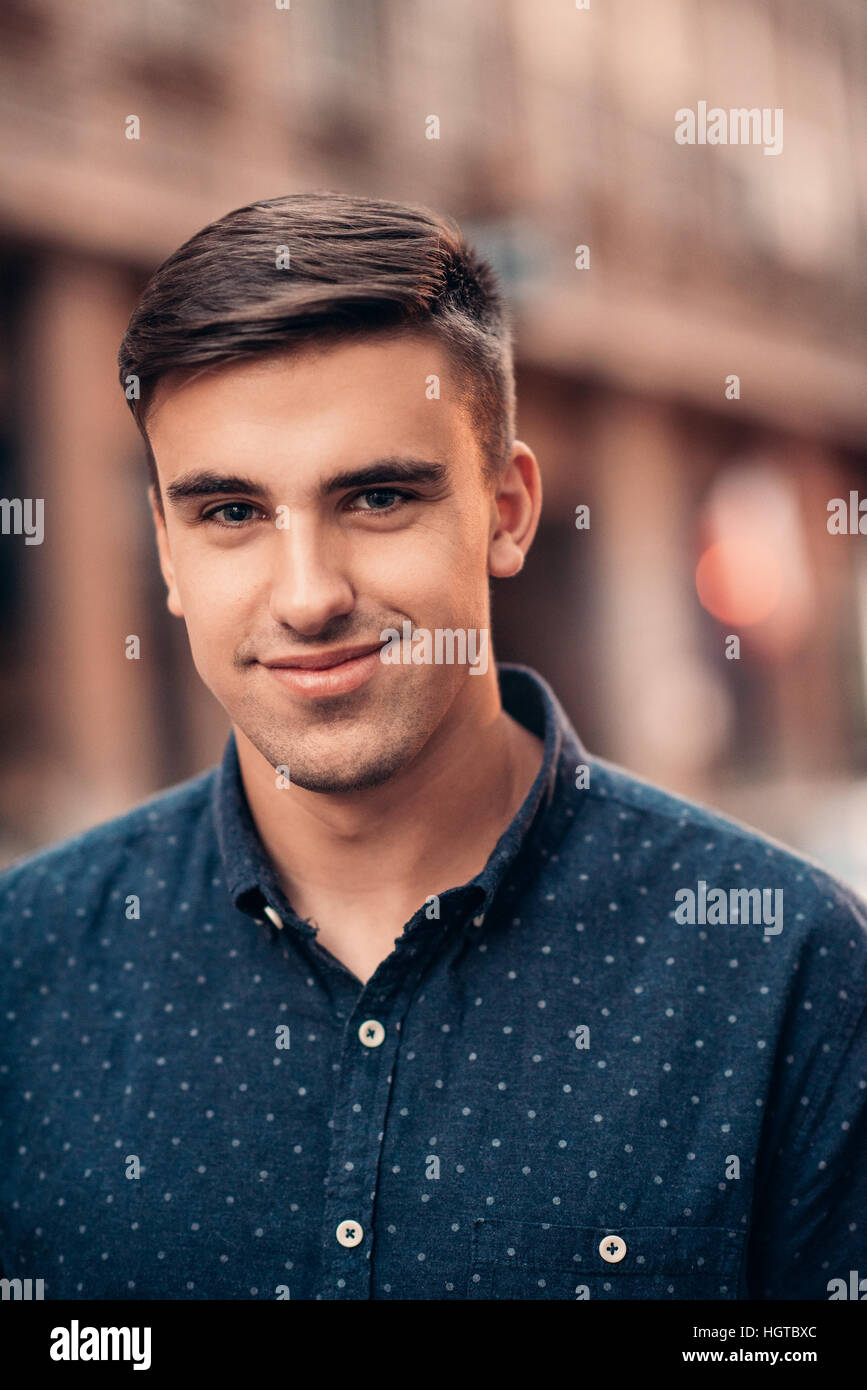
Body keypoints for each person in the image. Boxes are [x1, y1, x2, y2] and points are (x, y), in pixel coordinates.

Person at [0, 192, 864, 1301]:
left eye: (376, 496)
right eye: (230, 514)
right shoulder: (29, 970)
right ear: (166, 550)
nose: (308, 596)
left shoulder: (787, 971)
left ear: (507, 510)